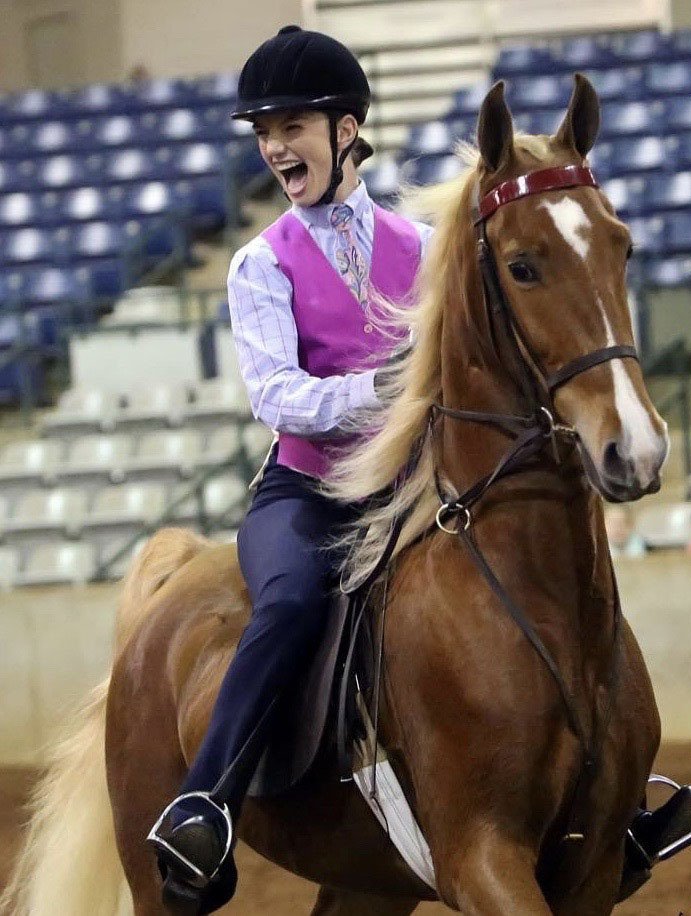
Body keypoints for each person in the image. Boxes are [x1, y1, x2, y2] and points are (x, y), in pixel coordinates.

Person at [146, 26, 433, 912]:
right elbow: (276, 396)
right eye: (262, 131)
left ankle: (612, 788)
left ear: (345, 129)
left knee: (532, 555)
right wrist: (379, 388)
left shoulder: (424, 244)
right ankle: (205, 802)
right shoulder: (257, 263)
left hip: (413, 487)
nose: (273, 145)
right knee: (294, 599)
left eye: (290, 124)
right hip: (306, 491)